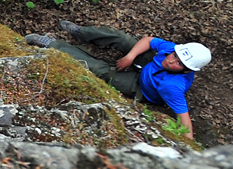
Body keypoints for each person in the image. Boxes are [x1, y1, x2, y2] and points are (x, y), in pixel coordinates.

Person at [26, 21, 211, 141]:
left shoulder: (172, 87)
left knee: (100, 71)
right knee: (122, 39)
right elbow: (148, 40)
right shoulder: (172, 52)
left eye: (178, 63)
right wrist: (130, 57)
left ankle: (53, 44)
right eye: (174, 55)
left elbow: (185, 121)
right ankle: (82, 33)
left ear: (187, 70)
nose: (171, 60)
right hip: (148, 66)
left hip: (140, 87)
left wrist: (188, 152)